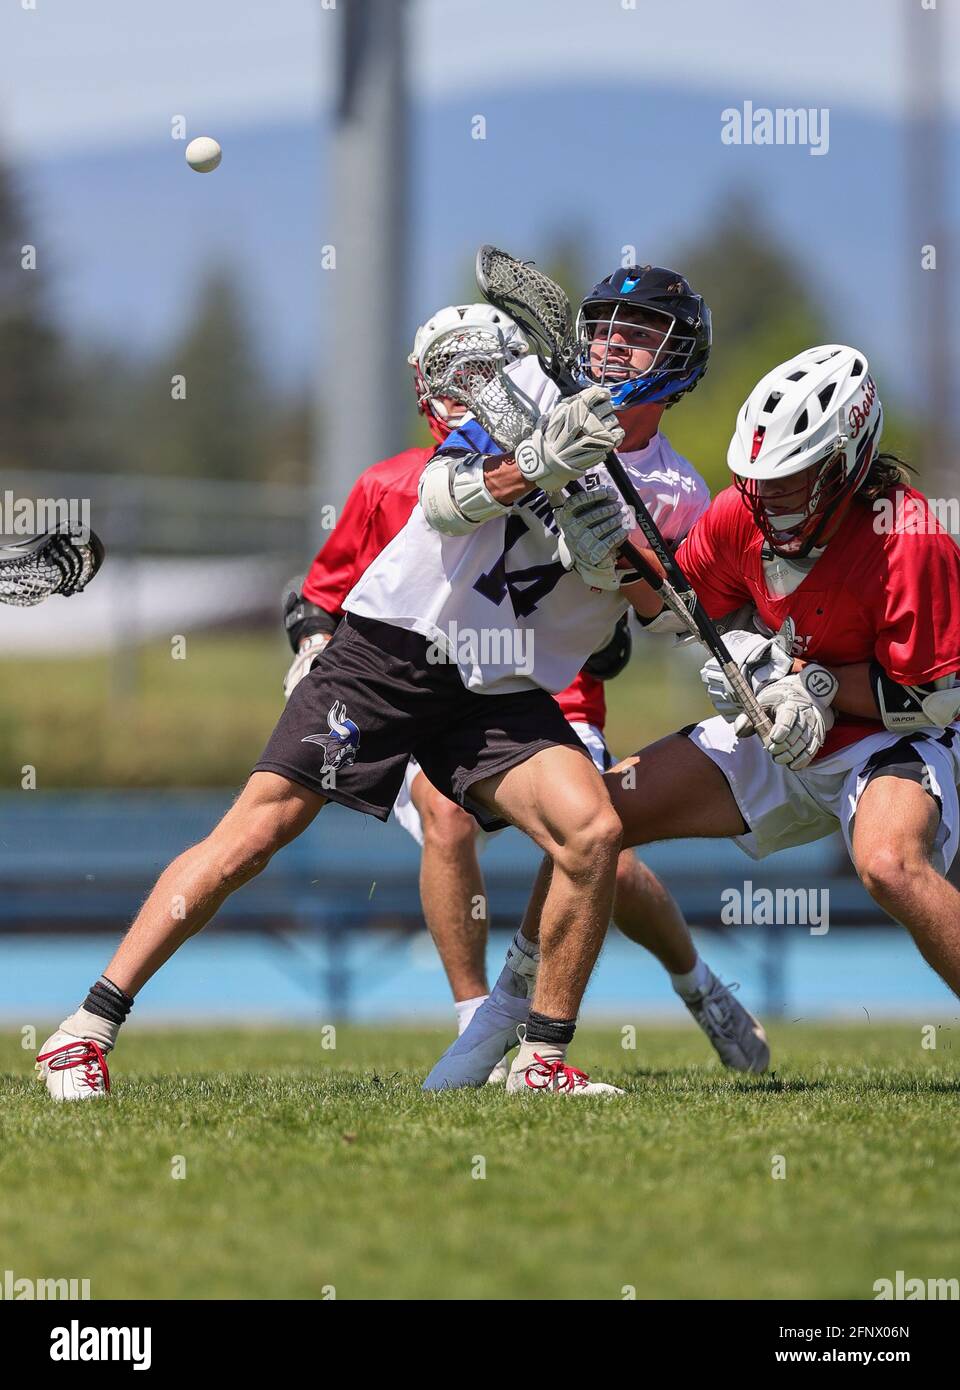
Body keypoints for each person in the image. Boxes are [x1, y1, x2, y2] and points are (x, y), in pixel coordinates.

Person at [35, 264, 727, 1102]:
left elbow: (663, 608)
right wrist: (538, 465)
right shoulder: (529, 391)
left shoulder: (680, 490)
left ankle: (541, 1063)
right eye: (606, 324)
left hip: (497, 683)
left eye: (640, 329)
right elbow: (439, 498)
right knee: (258, 832)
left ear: (680, 356)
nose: (615, 342)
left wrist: (612, 550)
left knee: (591, 833)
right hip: (397, 647)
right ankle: (83, 1033)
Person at [285, 299, 766, 1087]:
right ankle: (478, 1018)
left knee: (608, 852)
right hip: (441, 687)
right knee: (445, 817)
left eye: (484, 369)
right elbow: (318, 598)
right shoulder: (391, 482)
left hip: (555, 692)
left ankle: (697, 983)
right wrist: (311, 651)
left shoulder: (645, 471)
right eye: (455, 373)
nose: (470, 387)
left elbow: (618, 634)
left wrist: (614, 565)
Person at [493, 345, 960, 1057]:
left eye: (792, 481)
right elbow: (676, 607)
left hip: (888, 740)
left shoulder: (909, 536)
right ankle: (530, 1037)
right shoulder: (742, 515)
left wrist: (813, 688)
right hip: (780, 730)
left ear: (846, 464)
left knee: (889, 863)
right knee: (592, 817)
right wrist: (609, 553)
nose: (768, 500)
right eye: (760, 481)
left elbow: (934, 700)